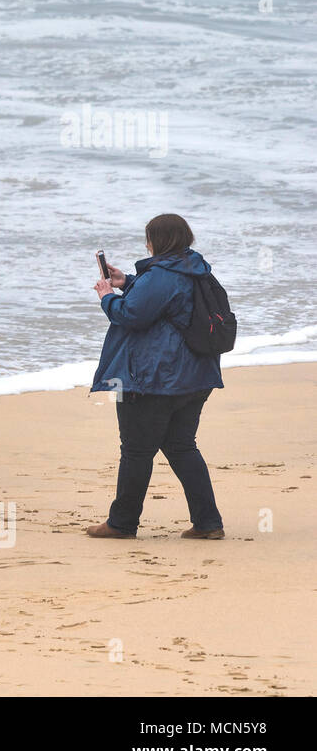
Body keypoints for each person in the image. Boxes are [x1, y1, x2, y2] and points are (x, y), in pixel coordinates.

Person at [86, 214, 225, 540]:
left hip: (155, 379)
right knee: (181, 446)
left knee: (135, 450)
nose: (146, 243)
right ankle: (208, 523)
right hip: (196, 377)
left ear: (158, 241)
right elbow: (170, 301)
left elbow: (130, 315)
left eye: (148, 238)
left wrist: (107, 296)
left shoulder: (161, 275)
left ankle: (121, 524)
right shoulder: (195, 267)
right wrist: (130, 282)